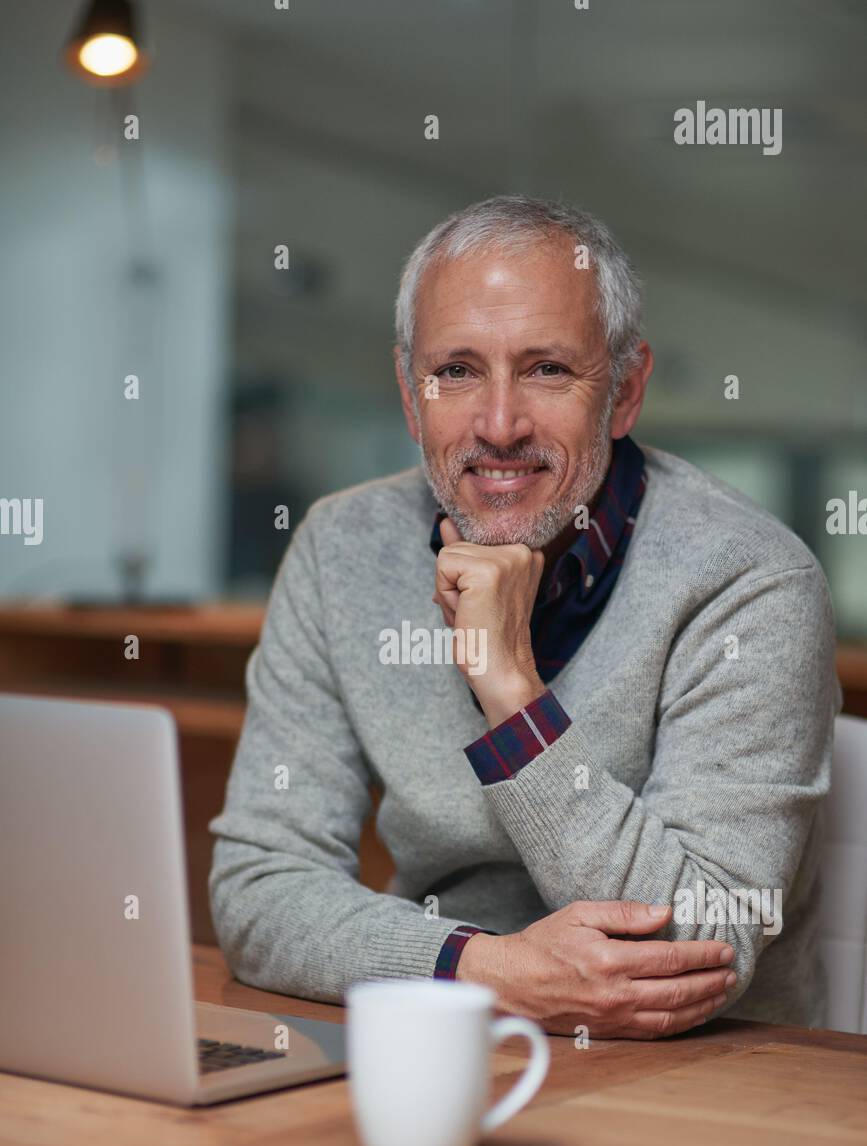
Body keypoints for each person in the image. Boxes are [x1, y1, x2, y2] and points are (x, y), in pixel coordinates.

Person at [209, 194, 840, 1038]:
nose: (498, 424)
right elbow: (258, 889)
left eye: (546, 369)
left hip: (705, 1086)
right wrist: (484, 970)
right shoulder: (339, 548)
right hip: (442, 1040)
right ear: (409, 394)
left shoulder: (749, 581)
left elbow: (699, 943)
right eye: (457, 372)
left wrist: (511, 689)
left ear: (622, 393)